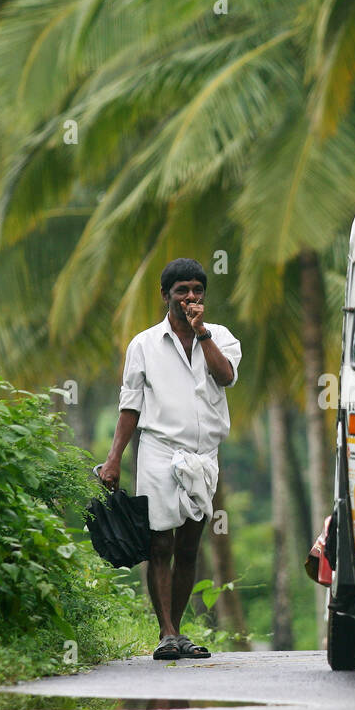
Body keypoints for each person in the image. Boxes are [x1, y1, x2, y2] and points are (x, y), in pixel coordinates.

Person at [98, 258, 242, 660]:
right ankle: (167, 632)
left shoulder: (221, 337)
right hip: (159, 451)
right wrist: (113, 460)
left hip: (203, 455)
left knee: (190, 546)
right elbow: (130, 406)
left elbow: (225, 376)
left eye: (197, 290)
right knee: (160, 542)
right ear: (166, 296)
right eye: (182, 291)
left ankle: (176, 631)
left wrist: (202, 333)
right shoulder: (144, 344)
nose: (191, 297)